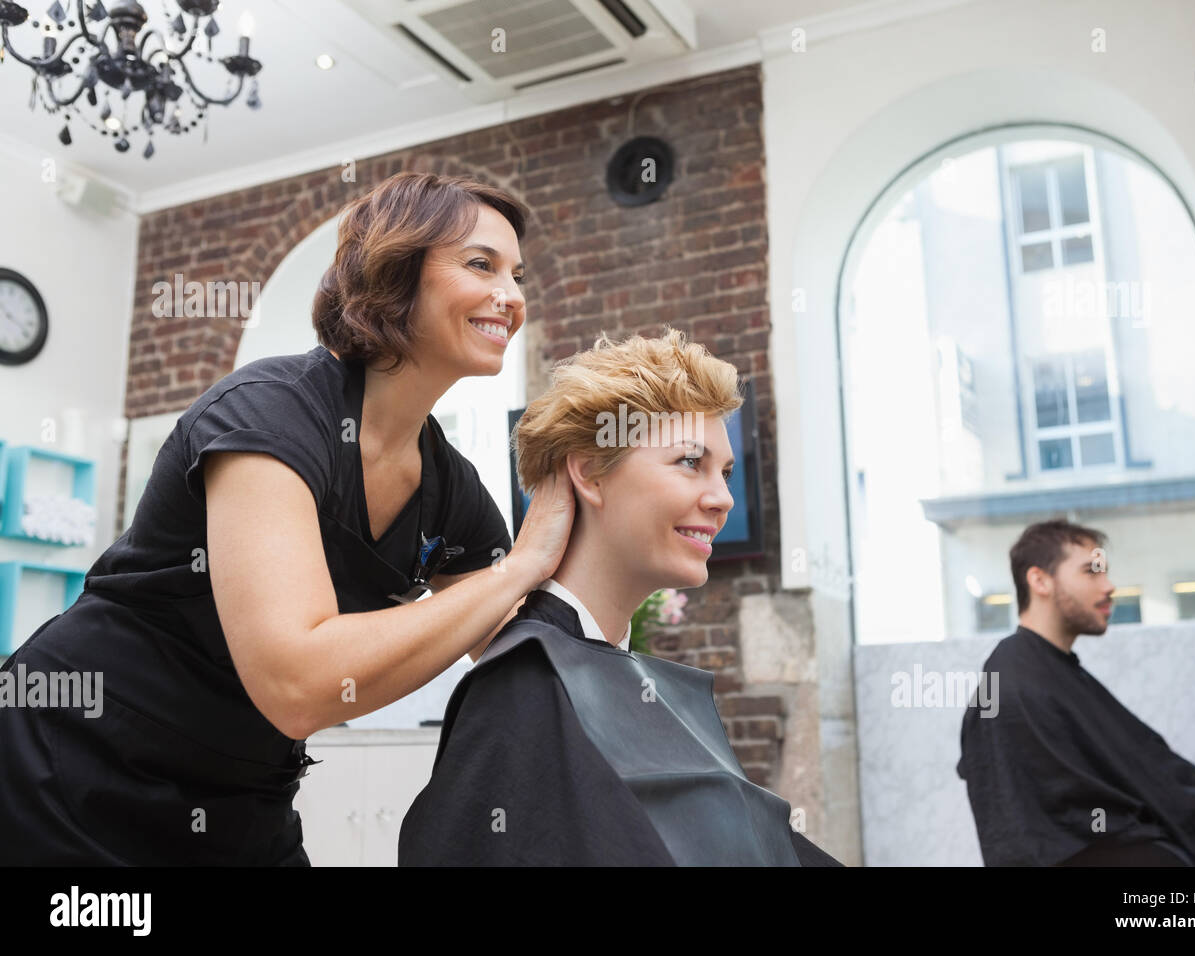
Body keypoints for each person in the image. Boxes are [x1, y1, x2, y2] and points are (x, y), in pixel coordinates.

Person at [0, 172, 575, 865]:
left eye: (517, 274)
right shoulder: (268, 411)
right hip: (77, 763)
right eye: (480, 264)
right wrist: (519, 568)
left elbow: (521, 657)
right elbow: (298, 685)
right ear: (393, 273)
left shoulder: (451, 489)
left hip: (242, 791)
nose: (510, 297)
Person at [398, 329, 841, 866]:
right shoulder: (527, 683)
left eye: (724, 472)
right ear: (590, 473)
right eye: (689, 462)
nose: (722, 498)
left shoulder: (617, 674)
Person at [957, 518, 1195, 866]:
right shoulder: (1014, 679)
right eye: (1092, 572)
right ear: (1039, 580)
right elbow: (1028, 827)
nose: (1109, 587)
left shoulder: (1053, 670)